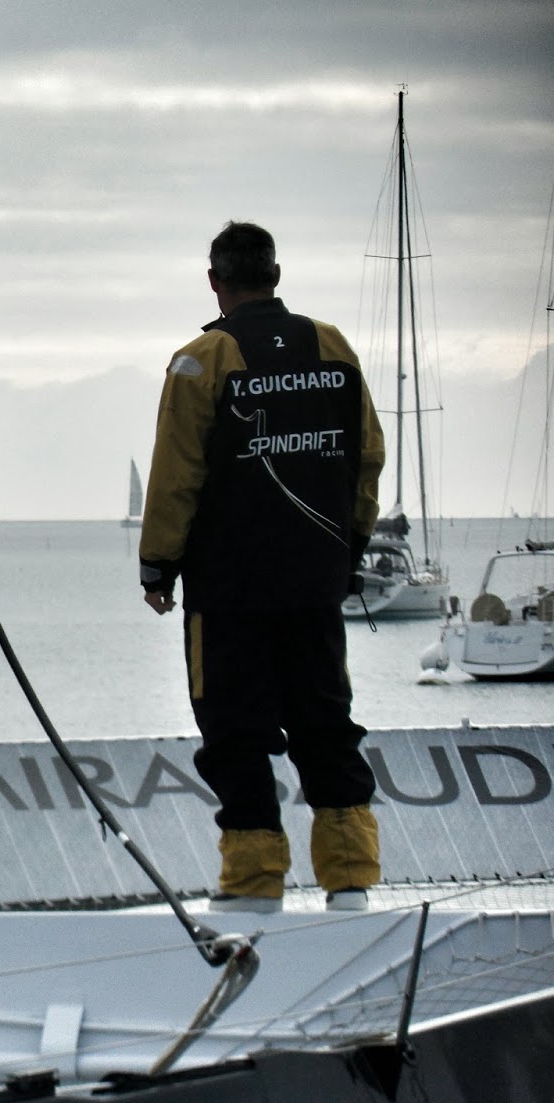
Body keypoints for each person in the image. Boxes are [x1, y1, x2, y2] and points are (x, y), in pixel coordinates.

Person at [139, 221, 385, 914]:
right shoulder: (332, 346)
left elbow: (176, 475)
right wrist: (351, 547)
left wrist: (157, 566)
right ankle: (350, 882)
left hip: (229, 587)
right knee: (326, 721)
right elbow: (367, 455)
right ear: (275, 275)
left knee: (234, 728)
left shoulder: (198, 361)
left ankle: (251, 887)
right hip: (315, 578)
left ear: (215, 281)